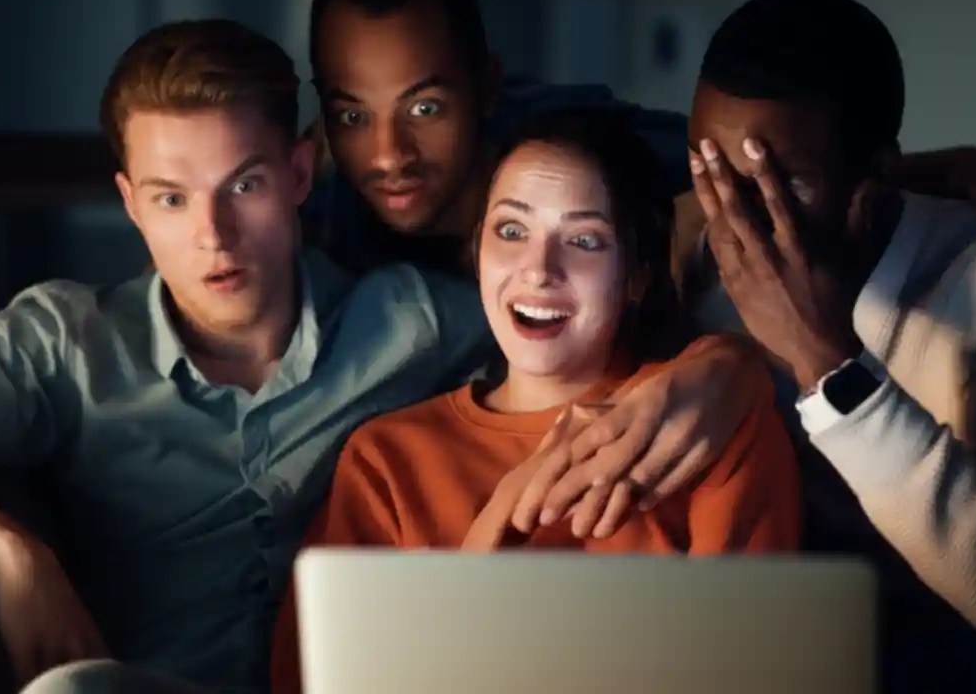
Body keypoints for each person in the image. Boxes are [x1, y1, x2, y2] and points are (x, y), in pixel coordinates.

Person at [0, 19, 496, 693]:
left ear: (298, 172)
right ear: (131, 204)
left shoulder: (411, 321)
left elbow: (587, 341)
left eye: (245, 185)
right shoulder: (67, 339)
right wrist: (13, 557)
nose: (213, 236)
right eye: (172, 198)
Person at [269, 109, 802, 694]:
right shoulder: (385, 461)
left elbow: (751, 672)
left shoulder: (710, 417)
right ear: (477, 251)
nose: (539, 270)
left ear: (637, 277)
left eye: (583, 241)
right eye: (512, 231)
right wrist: (501, 520)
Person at [664, 0, 976, 690]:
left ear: (877, 175)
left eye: (781, 183)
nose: (735, 218)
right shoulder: (687, 240)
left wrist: (825, 360)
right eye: (714, 174)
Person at [302, 0, 976, 284]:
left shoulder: (576, 143)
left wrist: (932, 174)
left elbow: (748, 164)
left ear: (488, 87)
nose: (389, 154)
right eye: (351, 115)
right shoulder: (322, 230)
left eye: (425, 108)